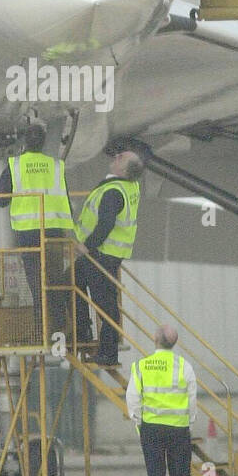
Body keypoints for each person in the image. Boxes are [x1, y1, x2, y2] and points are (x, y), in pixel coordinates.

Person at [0, 123, 73, 342]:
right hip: (54, 232)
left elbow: (0, 200)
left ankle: (41, 332)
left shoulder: (15, 166)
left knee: (38, 285)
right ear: (44, 141)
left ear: (24, 142)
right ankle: (60, 330)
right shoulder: (55, 166)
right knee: (55, 282)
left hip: (29, 234)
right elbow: (65, 197)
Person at [73, 146, 143, 365]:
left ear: (124, 169)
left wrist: (88, 245)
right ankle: (83, 330)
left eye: (121, 157)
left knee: (104, 302)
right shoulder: (126, 186)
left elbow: (106, 223)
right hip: (109, 253)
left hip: (101, 254)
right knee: (76, 282)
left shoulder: (114, 191)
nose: (116, 157)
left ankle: (107, 352)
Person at [126, 326, 198, 476]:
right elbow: (192, 399)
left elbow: (133, 398)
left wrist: (139, 424)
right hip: (179, 430)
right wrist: (188, 423)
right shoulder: (184, 366)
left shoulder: (141, 366)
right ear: (174, 343)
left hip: (151, 429)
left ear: (154, 338)